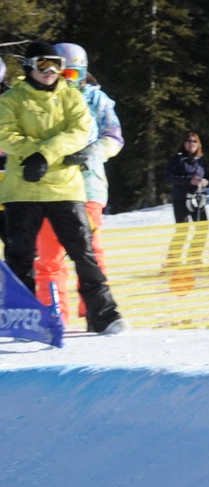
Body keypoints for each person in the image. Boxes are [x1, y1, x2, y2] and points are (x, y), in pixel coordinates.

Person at [0, 41, 126, 334]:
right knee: (30, 257)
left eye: (59, 67)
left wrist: (44, 154)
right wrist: (32, 153)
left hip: (69, 187)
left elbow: (84, 131)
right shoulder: (13, 99)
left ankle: (102, 315)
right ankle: (32, 317)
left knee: (85, 252)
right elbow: (5, 133)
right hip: (24, 188)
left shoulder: (77, 97)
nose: (53, 72)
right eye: (45, 65)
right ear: (31, 65)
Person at [32, 41, 123, 316]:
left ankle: (96, 310)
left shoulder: (96, 99)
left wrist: (93, 151)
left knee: (89, 249)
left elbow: (114, 136)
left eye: (74, 75)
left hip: (87, 186)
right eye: (63, 74)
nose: (68, 82)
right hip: (50, 185)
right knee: (49, 253)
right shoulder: (41, 99)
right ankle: (52, 312)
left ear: (83, 74)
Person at [166, 132, 209, 222]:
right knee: (183, 231)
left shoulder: (201, 160)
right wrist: (189, 180)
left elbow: (208, 176)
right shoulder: (177, 159)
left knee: (203, 228)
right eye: (189, 141)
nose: (191, 143)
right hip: (181, 199)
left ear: (198, 144)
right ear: (184, 143)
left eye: (194, 141)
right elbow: (169, 177)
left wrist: (206, 181)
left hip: (198, 198)